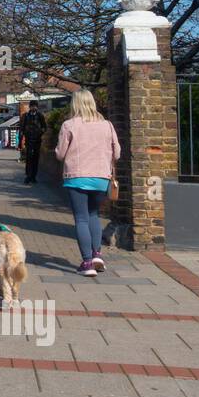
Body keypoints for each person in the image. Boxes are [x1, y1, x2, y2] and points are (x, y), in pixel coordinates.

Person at [54, 90, 120, 277]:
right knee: (93, 215)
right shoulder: (107, 125)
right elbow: (117, 154)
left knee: (81, 218)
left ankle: (87, 262)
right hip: (101, 178)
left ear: (75, 104)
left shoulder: (69, 125)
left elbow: (60, 154)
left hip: (77, 177)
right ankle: (97, 254)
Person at [18, 102, 47, 184]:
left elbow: (44, 127)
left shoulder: (40, 116)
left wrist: (40, 132)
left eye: (35, 106)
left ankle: (34, 176)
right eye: (32, 106)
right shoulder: (26, 116)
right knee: (29, 157)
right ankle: (28, 176)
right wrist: (20, 141)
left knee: (36, 158)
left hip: (37, 139)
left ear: (37, 107)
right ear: (30, 107)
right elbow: (21, 128)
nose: (34, 108)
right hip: (29, 139)